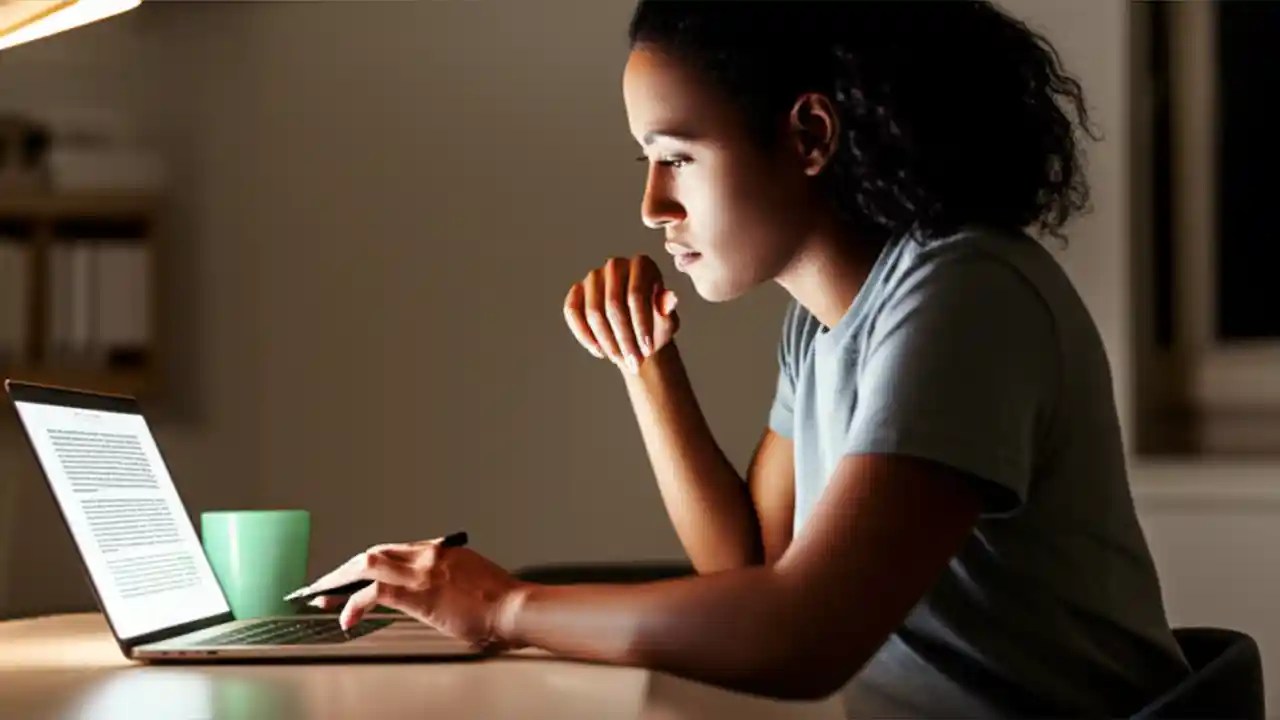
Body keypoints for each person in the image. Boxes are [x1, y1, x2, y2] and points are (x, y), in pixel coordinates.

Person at [306, 1, 1191, 715]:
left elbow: (802, 636)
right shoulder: (825, 322)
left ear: (809, 136)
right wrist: (644, 363)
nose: (653, 205)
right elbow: (750, 571)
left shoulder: (966, 295)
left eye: (677, 157)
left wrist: (505, 609)